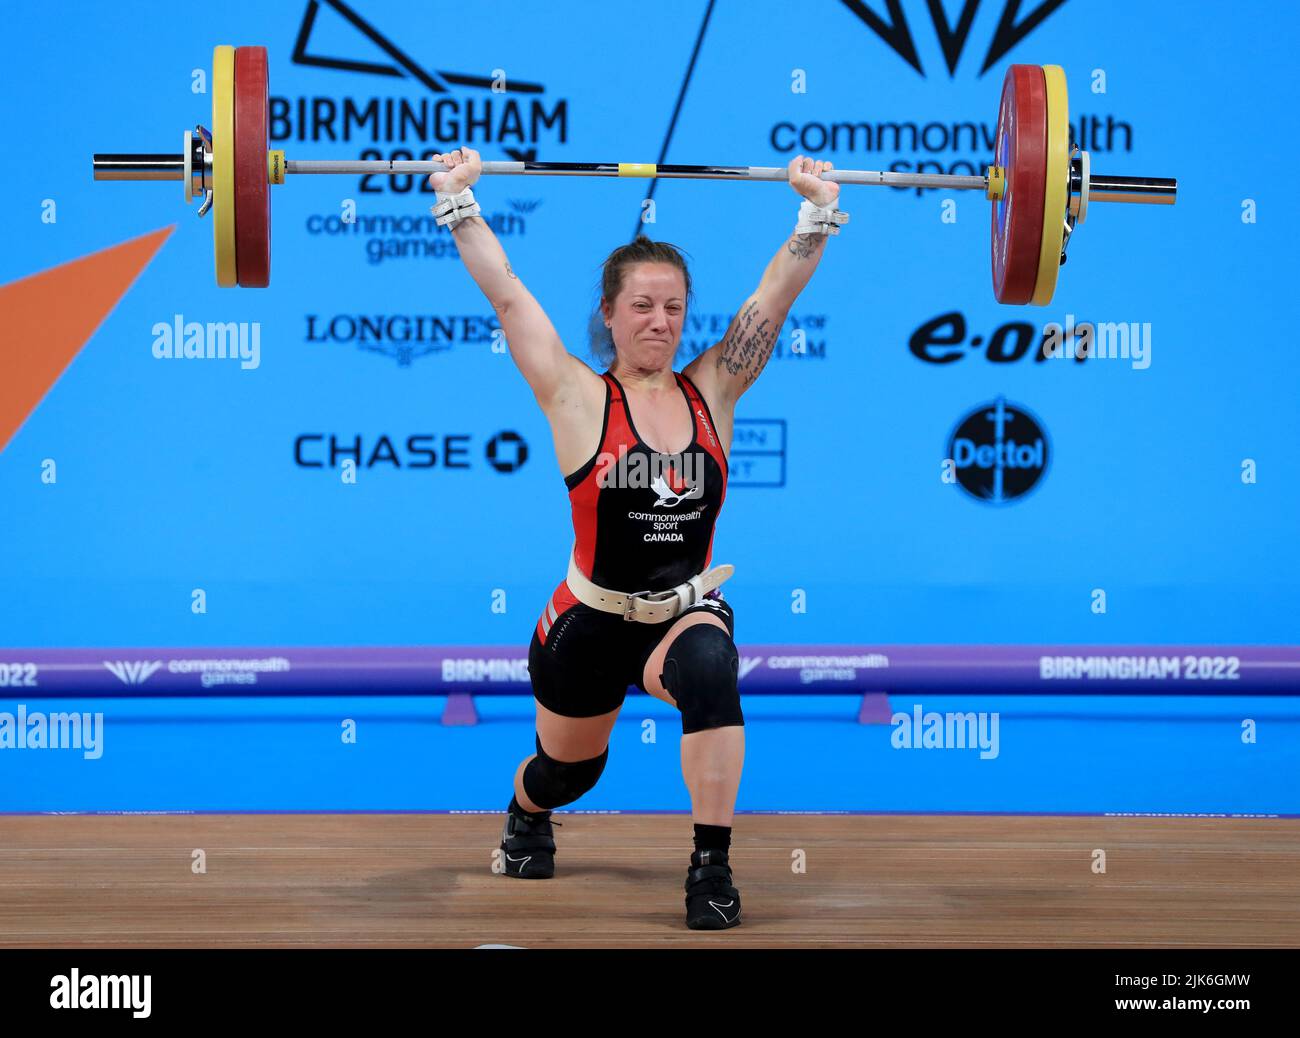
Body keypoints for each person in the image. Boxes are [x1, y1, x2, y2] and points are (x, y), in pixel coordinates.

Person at [428, 147, 844, 929]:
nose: (661, 321)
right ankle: (525, 815)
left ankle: (711, 870)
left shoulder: (715, 388)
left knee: (713, 666)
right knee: (569, 773)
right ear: (611, 315)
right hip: (587, 625)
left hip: (682, 612)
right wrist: (459, 202)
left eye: (675, 308)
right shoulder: (576, 396)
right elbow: (510, 298)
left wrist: (814, 212)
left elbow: (774, 299)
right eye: (643, 306)